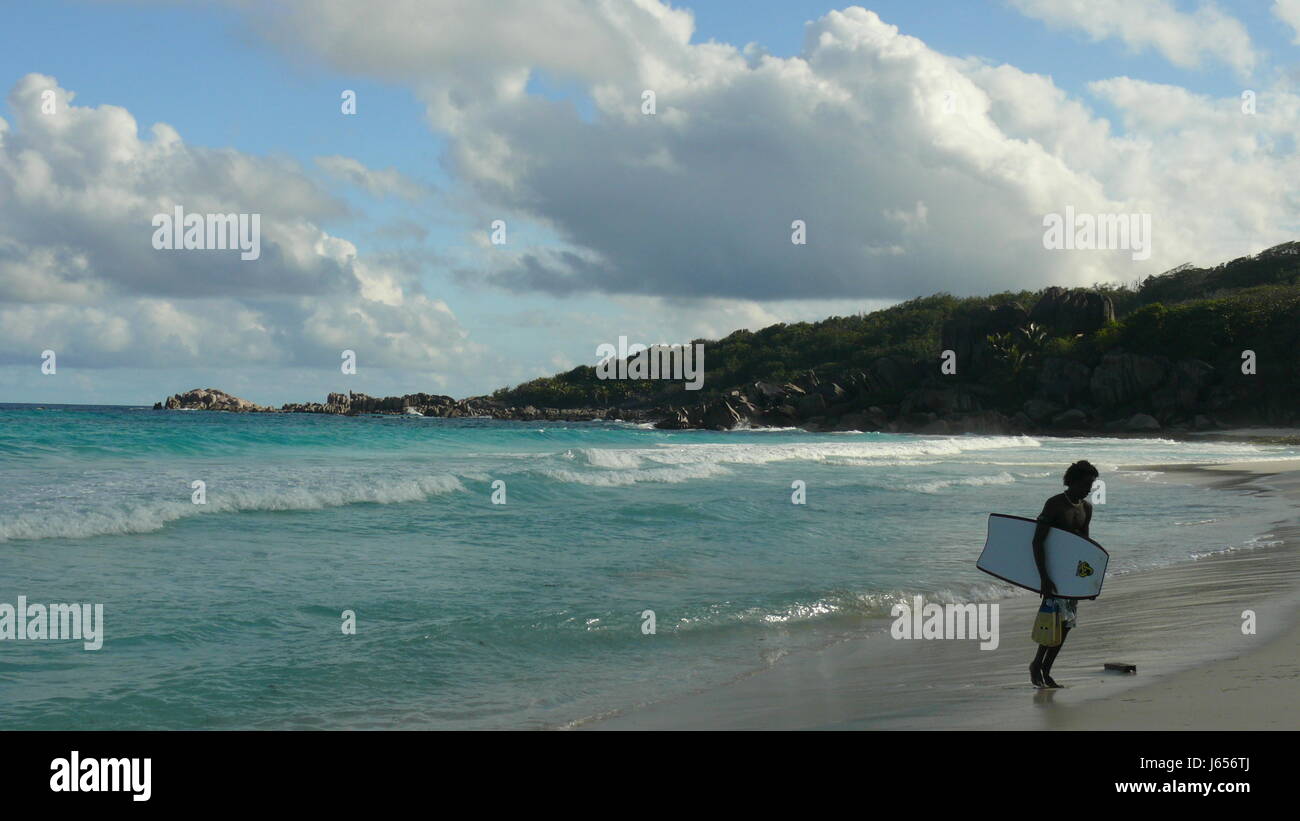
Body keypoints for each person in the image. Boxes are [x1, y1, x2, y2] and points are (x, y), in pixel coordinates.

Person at [1029, 460, 1099, 688]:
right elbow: (1037, 542)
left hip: (1072, 574)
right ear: (1073, 481)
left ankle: (1046, 669)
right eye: (1087, 483)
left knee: (1067, 624)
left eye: (1093, 484)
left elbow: (1085, 548)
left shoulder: (1087, 508)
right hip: (1053, 571)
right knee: (1053, 621)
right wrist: (1044, 577)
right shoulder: (1054, 504)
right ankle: (1036, 665)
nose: (1090, 488)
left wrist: (1089, 583)